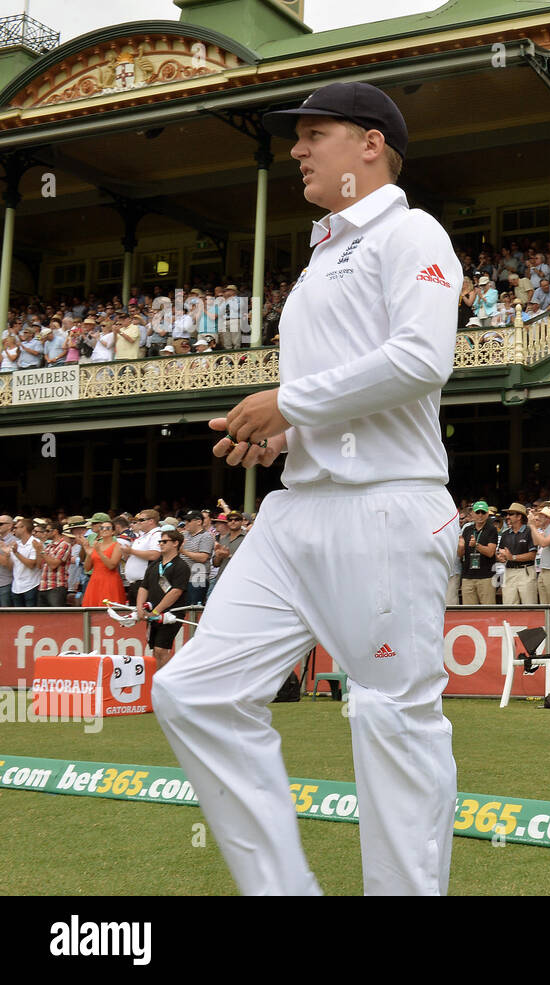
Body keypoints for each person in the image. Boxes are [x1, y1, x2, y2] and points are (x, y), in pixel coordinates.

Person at [151, 82, 464, 896]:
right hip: (296, 509)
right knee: (193, 692)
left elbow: (421, 359)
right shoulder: (324, 254)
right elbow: (350, 387)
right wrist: (287, 432)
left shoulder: (412, 230)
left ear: (370, 144)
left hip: (389, 508)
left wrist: (286, 402)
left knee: (393, 720)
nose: (296, 150)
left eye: (312, 134)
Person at [137, 528, 191, 667]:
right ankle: (158, 680)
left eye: (164, 541)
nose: (160, 544)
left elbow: (176, 592)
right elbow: (144, 587)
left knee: (162, 649)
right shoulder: (154, 565)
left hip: (171, 614)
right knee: (155, 650)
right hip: (153, 613)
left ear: (175, 543)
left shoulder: (181, 566)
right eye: (160, 541)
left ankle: (165, 680)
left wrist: (156, 611)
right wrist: (139, 608)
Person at [81, 512, 126, 608]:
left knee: (109, 609)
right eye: (102, 528)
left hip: (110, 582)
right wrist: (89, 554)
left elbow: (111, 566)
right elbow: (87, 568)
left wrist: (99, 552)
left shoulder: (117, 545)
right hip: (95, 581)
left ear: (113, 532)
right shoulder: (97, 545)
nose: (104, 530)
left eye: (108, 528)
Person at [497, 502, 538, 604]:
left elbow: (532, 555)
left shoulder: (529, 531)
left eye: (511, 514)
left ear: (519, 516)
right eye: (508, 514)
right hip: (509, 571)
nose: (508, 517)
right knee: (509, 606)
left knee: (529, 606)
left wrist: (512, 557)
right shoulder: (505, 533)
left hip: (526, 571)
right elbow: (501, 552)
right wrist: (500, 557)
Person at [458, 501, 498, 604]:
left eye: (483, 512)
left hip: (486, 577)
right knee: (469, 613)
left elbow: (490, 552)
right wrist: (461, 547)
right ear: (472, 514)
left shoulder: (492, 529)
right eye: (478, 512)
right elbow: (460, 555)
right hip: (468, 576)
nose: (480, 515)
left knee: (488, 612)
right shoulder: (466, 529)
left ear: (487, 514)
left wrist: (476, 545)